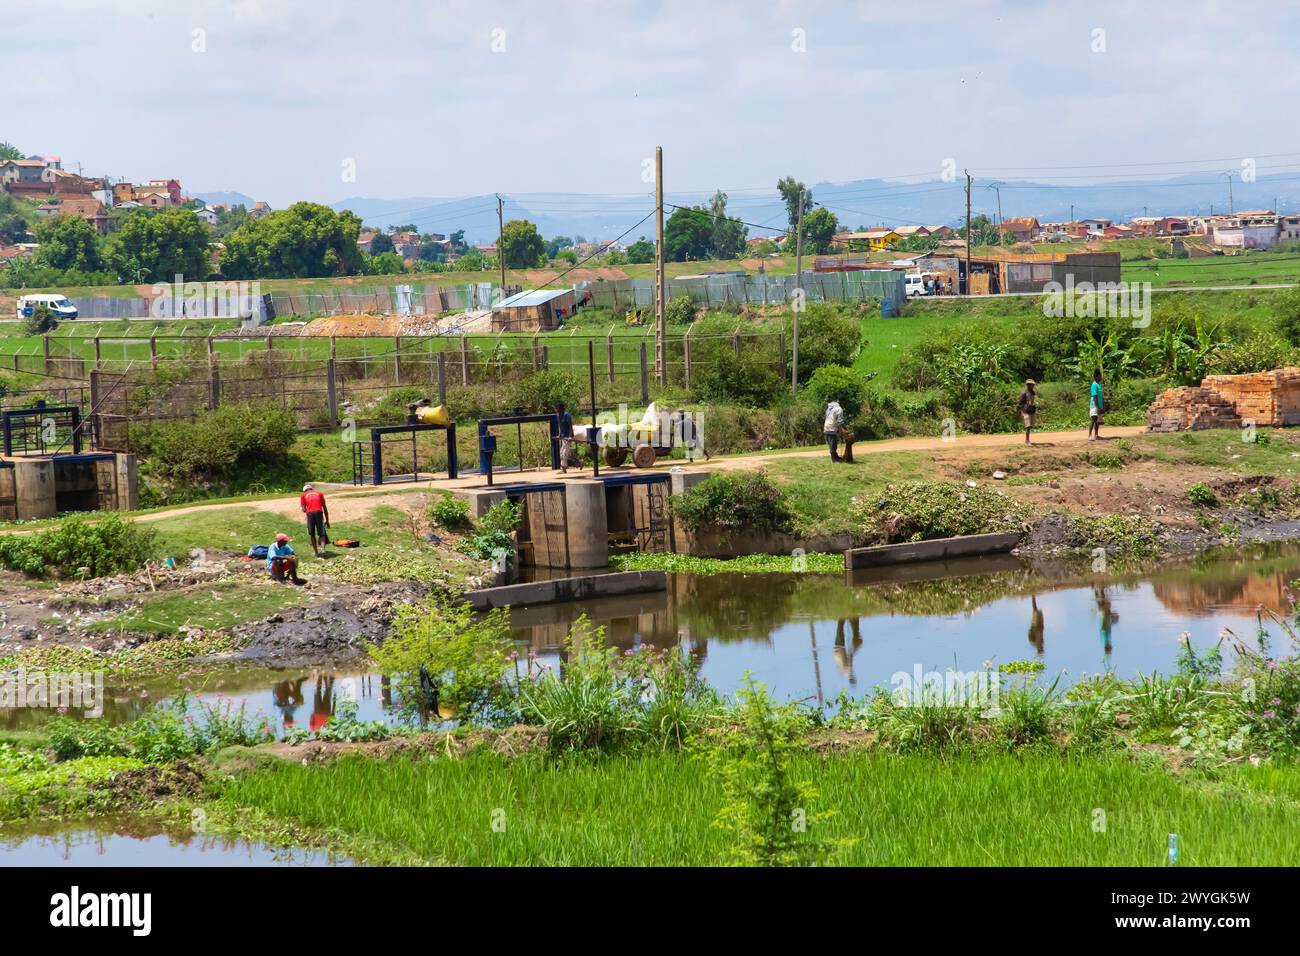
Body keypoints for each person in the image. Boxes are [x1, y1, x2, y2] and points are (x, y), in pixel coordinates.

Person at [300, 483, 330, 556]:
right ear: (312, 489)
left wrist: (306, 509)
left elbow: (304, 509)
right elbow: (325, 508)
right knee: (322, 533)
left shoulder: (303, 495)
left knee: (312, 534)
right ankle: (323, 550)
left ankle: (316, 553)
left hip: (310, 514)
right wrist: (327, 520)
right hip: (319, 512)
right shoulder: (319, 493)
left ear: (304, 491)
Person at [554, 401, 575, 473]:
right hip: (563, 437)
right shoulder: (558, 415)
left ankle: (563, 468)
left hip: (567, 437)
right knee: (561, 452)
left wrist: (570, 436)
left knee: (564, 453)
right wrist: (559, 435)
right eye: (556, 408)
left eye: (558, 408)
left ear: (562, 408)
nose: (557, 410)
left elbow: (570, 426)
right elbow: (560, 426)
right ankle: (576, 463)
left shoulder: (567, 415)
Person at [823, 397, 845, 462]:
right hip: (831, 428)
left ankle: (836, 456)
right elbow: (840, 422)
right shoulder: (839, 409)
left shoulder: (830, 407)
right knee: (833, 444)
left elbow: (826, 416)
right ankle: (834, 460)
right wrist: (845, 430)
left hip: (826, 427)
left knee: (832, 444)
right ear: (842, 402)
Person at [1017, 379, 1037, 445]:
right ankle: (1027, 440)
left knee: (1030, 425)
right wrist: (1020, 412)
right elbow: (1020, 403)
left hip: (1031, 410)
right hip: (1025, 411)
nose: (1032, 386)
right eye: (1031, 385)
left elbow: (1032, 401)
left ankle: (1027, 440)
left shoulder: (1033, 392)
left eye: (1033, 385)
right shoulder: (1024, 393)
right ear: (1028, 385)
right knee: (1028, 426)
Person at [1088, 370, 1104, 441]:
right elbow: (1094, 397)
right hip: (1094, 405)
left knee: (1097, 421)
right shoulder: (1094, 385)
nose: (1101, 377)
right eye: (1100, 376)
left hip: (1099, 405)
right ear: (1096, 377)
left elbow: (1100, 396)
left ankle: (1096, 435)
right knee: (1094, 420)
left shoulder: (1099, 385)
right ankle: (1090, 435)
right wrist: (1097, 407)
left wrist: (1102, 406)